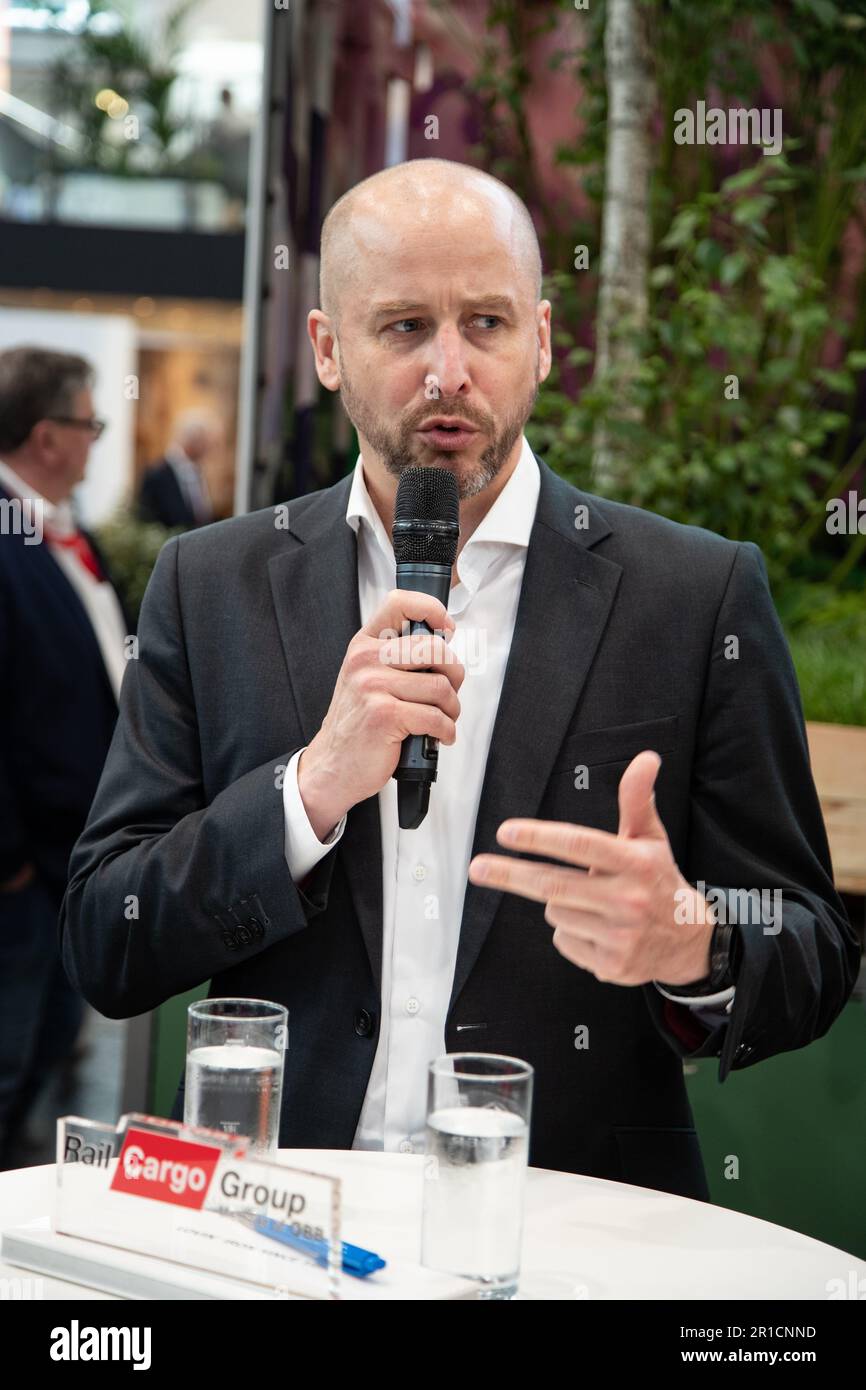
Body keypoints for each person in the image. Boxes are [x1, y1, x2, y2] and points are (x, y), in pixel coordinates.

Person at [59, 160, 858, 1201]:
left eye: (484, 323)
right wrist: (306, 791)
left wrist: (691, 939)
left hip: (574, 1236)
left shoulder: (694, 593)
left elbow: (813, 951)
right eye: (402, 328)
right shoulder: (211, 584)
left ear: (540, 338)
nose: (449, 370)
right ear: (328, 349)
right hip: (284, 1226)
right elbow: (104, 936)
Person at [0, 345, 131, 1167]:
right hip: (20, 875)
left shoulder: (62, 532)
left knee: (40, 1053)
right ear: (48, 436)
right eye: (90, 423)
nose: (96, 440)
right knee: (8, 1061)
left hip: (70, 861)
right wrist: (8, 860)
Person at [137, 410, 217, 530]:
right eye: (205, 442)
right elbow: (147, 523)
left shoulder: (197, 472)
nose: (208, 448)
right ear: (193, 440)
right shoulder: (157, 475)